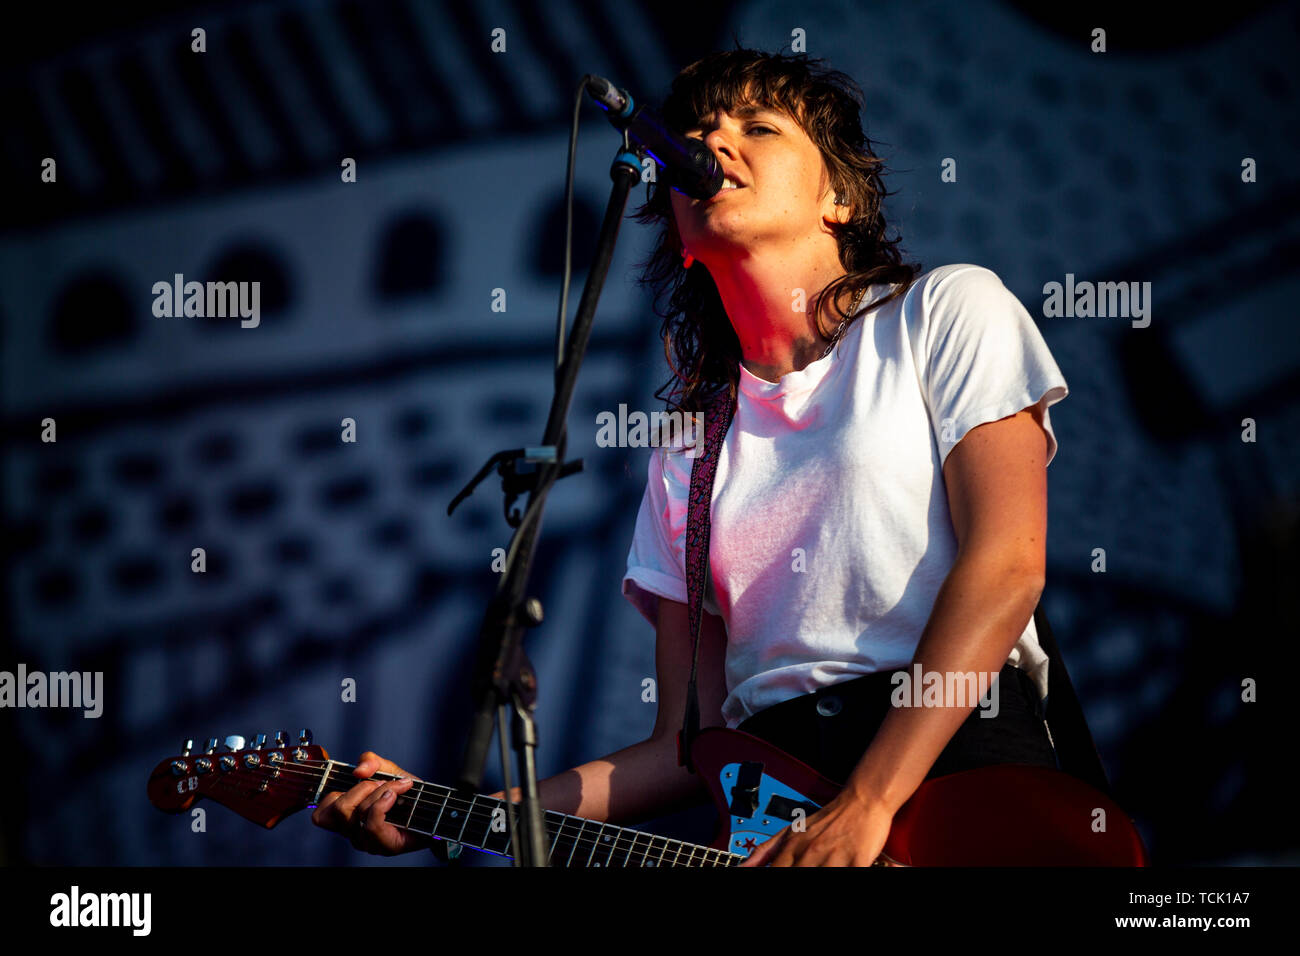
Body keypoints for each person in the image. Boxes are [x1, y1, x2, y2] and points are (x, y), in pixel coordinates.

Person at [312, 48, 1068, 867]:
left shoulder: (943, 314)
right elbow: (686, 743)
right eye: (702, 129)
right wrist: (452, 811)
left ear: (840, 198)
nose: (716, 141)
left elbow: (1007, 567)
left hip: (960, 788)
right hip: (783, 817)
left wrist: (869, 802)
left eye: (759, 126)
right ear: (676, 228)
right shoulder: (689, 447)